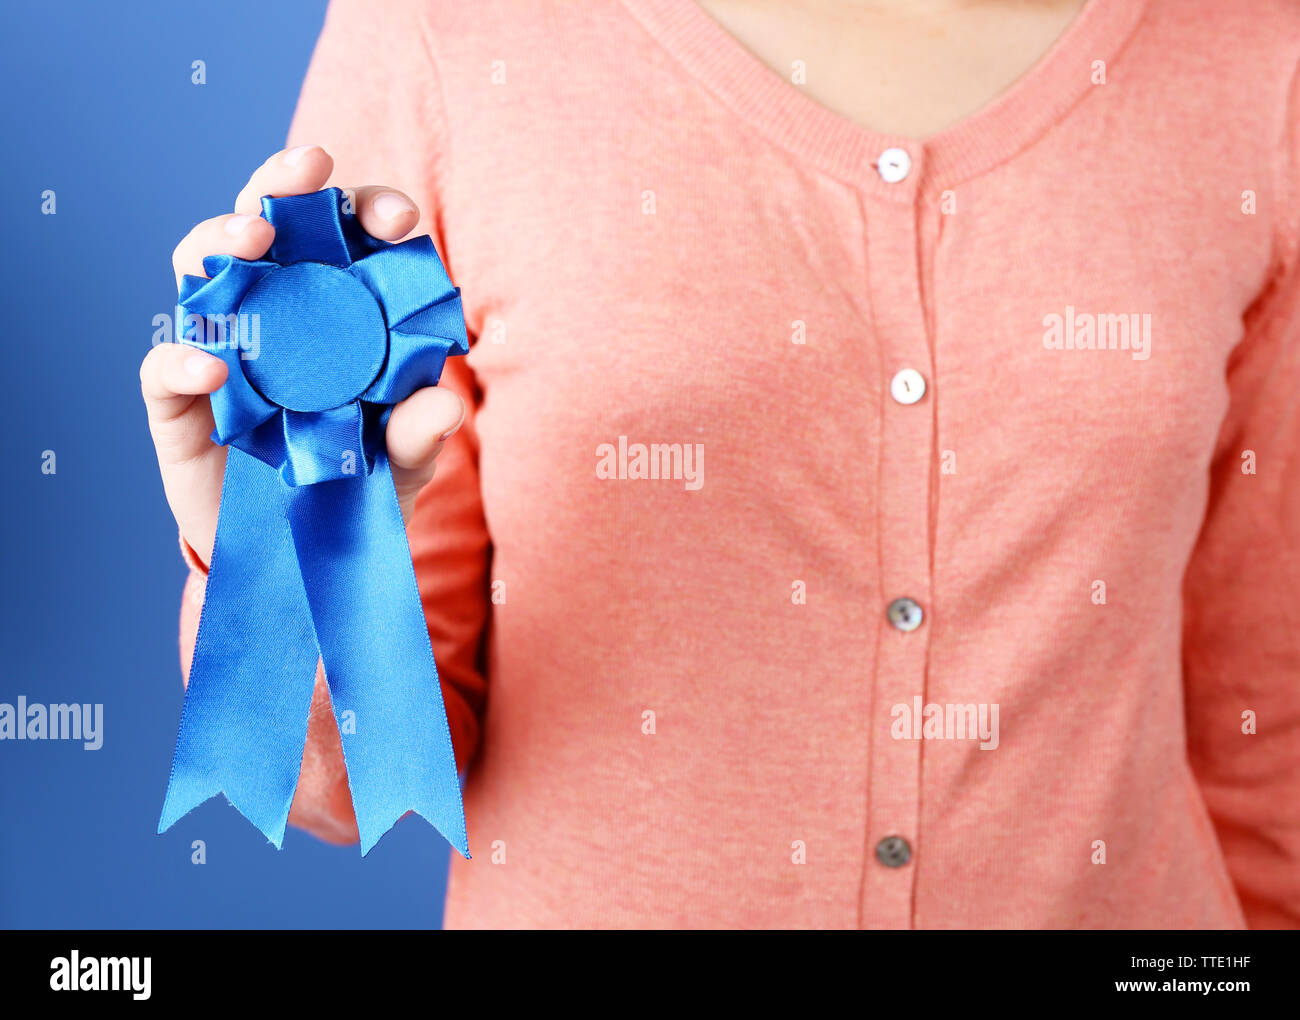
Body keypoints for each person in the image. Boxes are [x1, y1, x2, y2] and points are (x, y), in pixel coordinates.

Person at [140, 0, 1300, 928]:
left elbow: (1267, 719)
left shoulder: (1255, 54)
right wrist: (277, 563)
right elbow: (356, 784)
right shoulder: (454, 34)